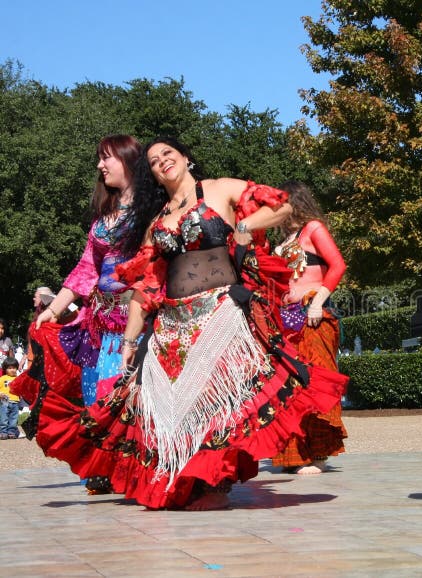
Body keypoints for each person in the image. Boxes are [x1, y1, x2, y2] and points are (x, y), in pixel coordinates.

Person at [31, 137, 347, 510]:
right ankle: (187, 480)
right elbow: (147, 287)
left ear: (185, 159)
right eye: (153, 160)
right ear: (151, 174)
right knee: (172, 409)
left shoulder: (219, 189)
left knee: (212, 403)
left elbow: (282, 205)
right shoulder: (157, 221)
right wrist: (131, 343)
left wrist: (245, 226)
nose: (162, 161)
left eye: (169, 153)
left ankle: (214, 484)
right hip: (173, 324)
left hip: (220, 311)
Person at [13, 137, 143, 463]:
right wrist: (54, 310)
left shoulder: (154, 210)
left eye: (107, 158)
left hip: (140, 320)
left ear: (129, 160)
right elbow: (86, 268)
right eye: (99, 159)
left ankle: (135, 468)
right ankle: (104, 467)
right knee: (95, 395)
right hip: (98, 325)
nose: (100, 165)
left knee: (130, 397)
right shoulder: (103, 218)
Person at [270, 180, 348, 475]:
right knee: (289, 388)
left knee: (316, 382)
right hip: (286, 319)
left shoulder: (313, 228)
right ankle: (295, 453)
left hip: (312, 315)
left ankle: (316, 454)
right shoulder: (283, 238)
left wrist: (318, 303)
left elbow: (338, 265)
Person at [0, 357, 21, 440]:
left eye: (14, 368)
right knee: (4, 417)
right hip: (4, 401)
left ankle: (11, 432)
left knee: (14, 418)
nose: (12, 370)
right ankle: (3, 432)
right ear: (5, 369)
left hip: (15, 401)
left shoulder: (18, 379)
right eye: (10, 368)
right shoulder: (2, 379)